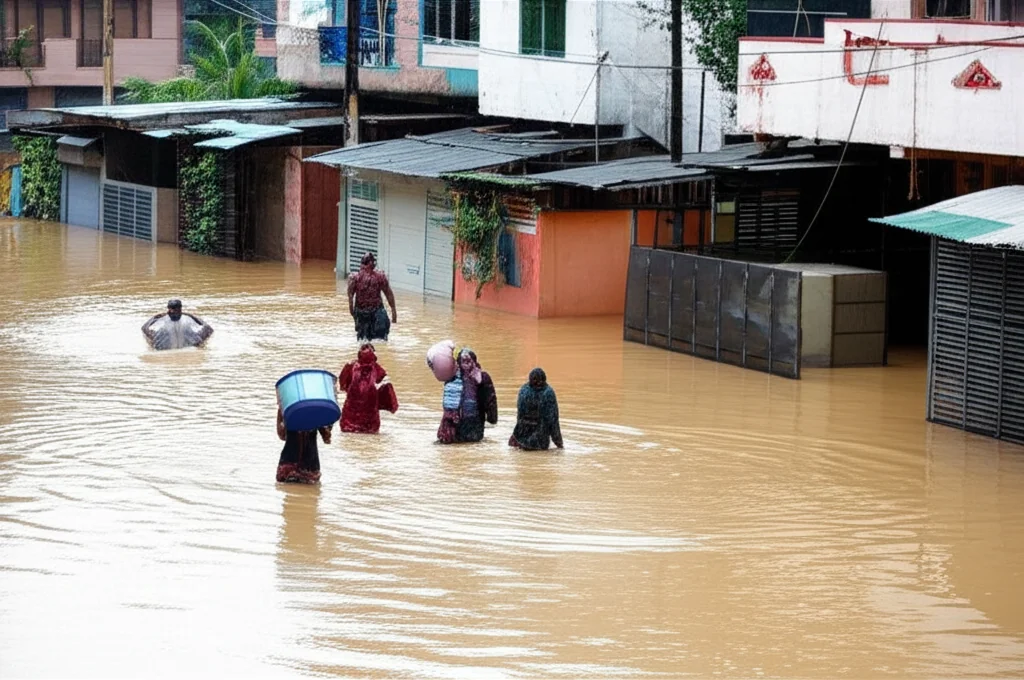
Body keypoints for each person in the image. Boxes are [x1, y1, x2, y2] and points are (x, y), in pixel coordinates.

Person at [437, 348, 498, 444]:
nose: (466, 364)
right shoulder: (452, 377)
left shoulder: (482, 377)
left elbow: (490, 399)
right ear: (459, 363)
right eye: (463, 361)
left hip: (473, 421)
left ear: (474, 361)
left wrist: (492, 417)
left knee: (471, 445)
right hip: (453, 421)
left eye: (468, 361)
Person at [338, 343, 398, 433]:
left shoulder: (351, 365)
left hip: (352, 406)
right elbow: (387, 387)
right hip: (370, 407)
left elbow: (343, 383)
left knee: (349, 429)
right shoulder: (376, 368)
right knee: (370, 430)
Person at [509, 368, 564, 451]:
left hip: (520, 438)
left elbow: (520, 416)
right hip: (539, 441)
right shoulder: (548, 393)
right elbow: (553, 421)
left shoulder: (524, 390)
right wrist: (559, 443)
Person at [347, 253, 397, 342]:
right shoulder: (380, 276)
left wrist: (352, 312)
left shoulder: (354, 277)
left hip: (363, 312)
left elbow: (350, 297)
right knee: (380, 340)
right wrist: (393, 312)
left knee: (363, 341)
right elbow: (388, 294)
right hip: (376, 311)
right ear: (371, 263)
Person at [276, 407, 332, 484]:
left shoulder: (287, 405)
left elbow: (282, 435)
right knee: (310, 493)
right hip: (310, 467)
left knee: (289, 491)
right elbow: (327, 438)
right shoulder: (316, 408)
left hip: (289, 463)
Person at [142, 299, 213, 350]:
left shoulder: (163, 323)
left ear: (168, 309)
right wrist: (191, 315)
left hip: (167, 354)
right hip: (188, 353)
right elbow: (208, 329)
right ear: (181, 309)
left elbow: (144, 328)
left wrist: (154, 318)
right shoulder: (187, 321)